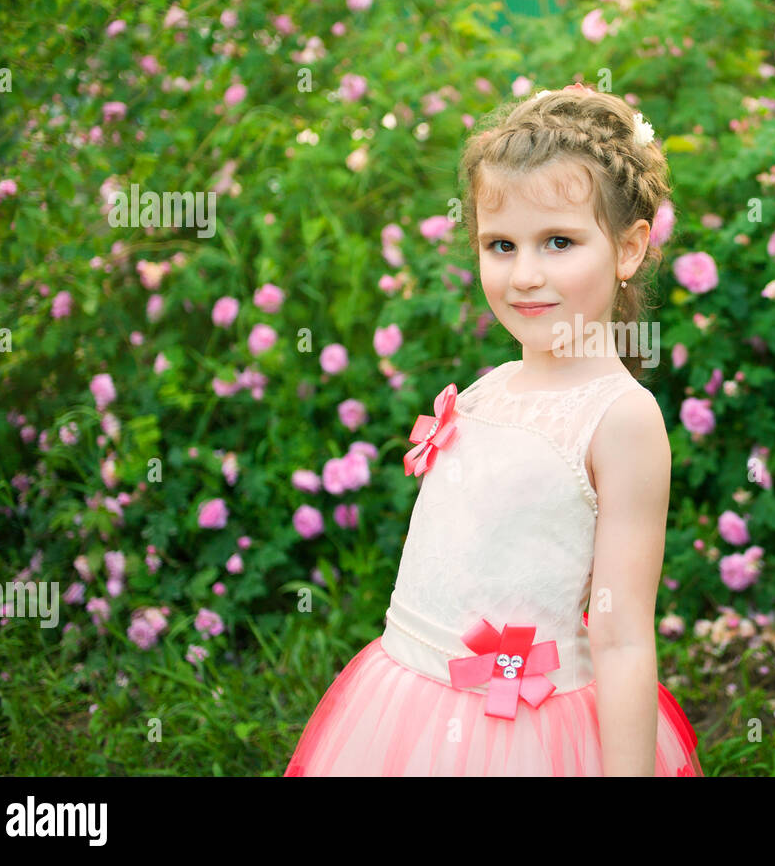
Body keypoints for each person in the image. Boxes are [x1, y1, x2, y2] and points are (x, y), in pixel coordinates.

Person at [284, 81, 703, 776]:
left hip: (524, 733)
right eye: (501, 244)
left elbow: (624, 637)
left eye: (559, 242)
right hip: (405, 702)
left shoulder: (619, 418)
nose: (525, 275)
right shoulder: (487, 390)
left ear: (629, 249)